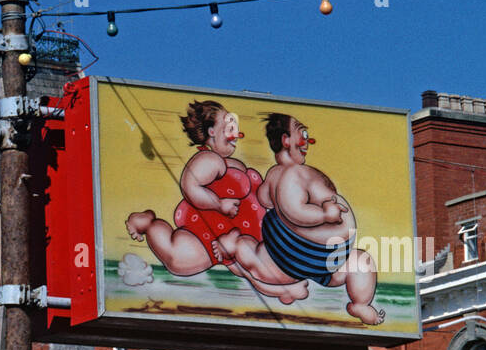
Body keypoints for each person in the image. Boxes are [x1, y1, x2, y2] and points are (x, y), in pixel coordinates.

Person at [124, 101, 304, 303]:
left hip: (234, 233)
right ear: (211, 131)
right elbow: (190, 185)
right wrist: (219, 204)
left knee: (248, 269)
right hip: (206, 232)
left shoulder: (231, 163)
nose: (235, 134)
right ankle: (147, 223)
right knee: (178, 260)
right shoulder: (210, 159)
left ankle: (282, 290)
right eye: (229, 128)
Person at [229, 114, 384, 325]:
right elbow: (295, 211)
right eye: (303, 133)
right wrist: (325, 215)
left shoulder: (275, 175)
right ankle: (360, 303)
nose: (308, 141)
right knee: (361, 261)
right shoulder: (292, 174)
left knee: (358, 261)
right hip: (313, 253)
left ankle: (246, 257)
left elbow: (265, 199)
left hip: (306, 256)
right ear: (286, 140)